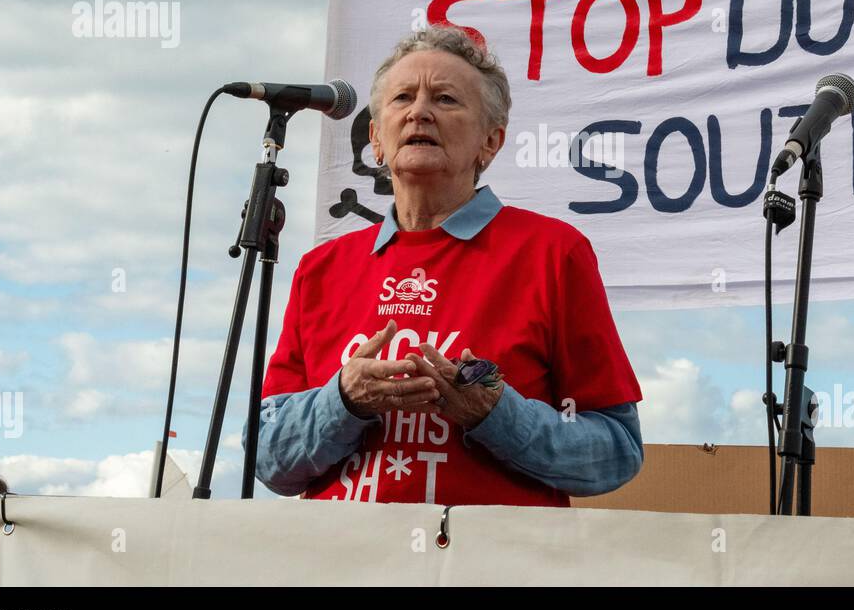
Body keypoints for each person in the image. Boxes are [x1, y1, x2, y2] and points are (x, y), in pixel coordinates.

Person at [253, 25, 644, 505]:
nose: (419, 111)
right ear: (376, 139)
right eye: (402, 98)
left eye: (445, 99)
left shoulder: (554, 253)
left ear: (490, 141)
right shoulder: (321, 269)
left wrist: (495, 414)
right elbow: (268, 459)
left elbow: (617, 451)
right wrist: (344, 400)